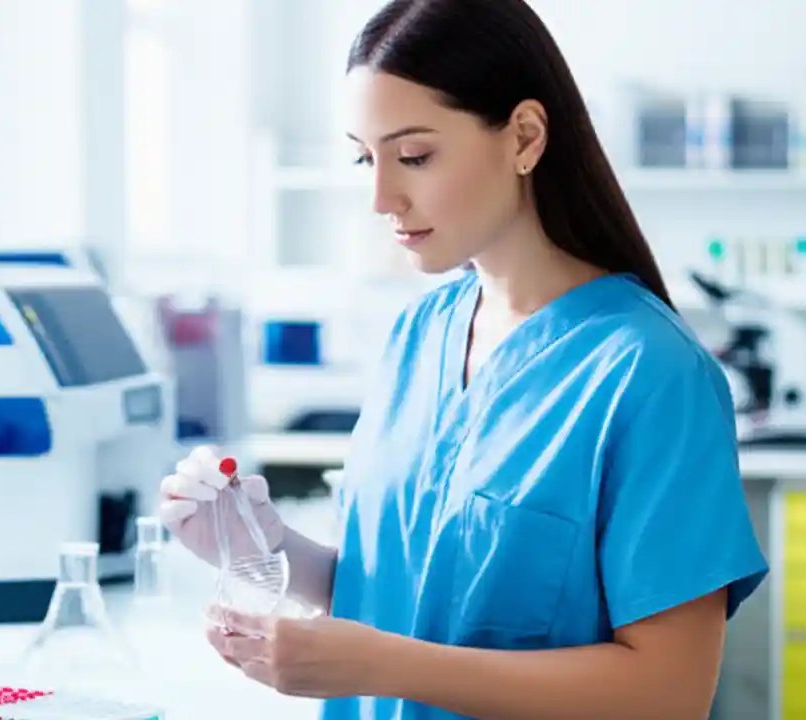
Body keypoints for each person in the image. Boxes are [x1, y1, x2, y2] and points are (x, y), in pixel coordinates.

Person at [157, 0, 769, 718]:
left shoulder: (650, 374)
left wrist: (384, 663)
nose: (381, 196)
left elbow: (668, 694)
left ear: (525, 137)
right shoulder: (419, 335)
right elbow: (406, 594)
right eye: (365, 157)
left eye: (415, 156)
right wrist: (269, 550)